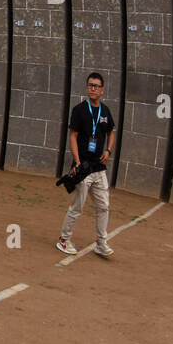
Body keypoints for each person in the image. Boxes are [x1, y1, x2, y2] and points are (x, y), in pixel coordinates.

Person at [57, 72, 116, 258]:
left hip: (99, 167)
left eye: (96, 86)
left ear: (102, 90)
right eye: (90, 85)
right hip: (83, 168)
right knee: (77, 207)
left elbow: (111, 132)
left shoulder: (105, 111)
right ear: (86, 87)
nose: (93, 88)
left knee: (104, 206)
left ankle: (101, 243)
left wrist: (108, 151)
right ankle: (64, 240)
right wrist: (77, 161)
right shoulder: (79, 110)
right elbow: (72, 136)